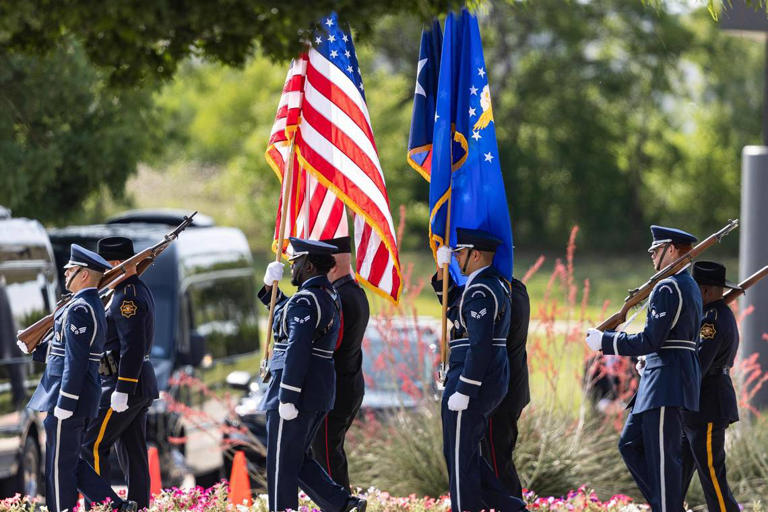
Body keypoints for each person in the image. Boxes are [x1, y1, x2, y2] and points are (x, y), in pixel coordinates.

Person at [585, 225, 702, 512]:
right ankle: (667, 505)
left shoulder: (668, 286)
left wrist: (607, 341)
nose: (651, 256)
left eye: (656, 250)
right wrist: (648, 357)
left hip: (666, 383)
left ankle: (668, 506)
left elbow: (652, 338)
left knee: (663, 461)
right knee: (630, 445)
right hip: (661, 377)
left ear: (671, 250)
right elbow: (668, 339)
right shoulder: (688, 286)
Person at [19, 244, 137, 512]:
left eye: (70, 270)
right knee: (70, 461)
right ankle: (117, 506)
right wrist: (34, 348)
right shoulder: (80, 305)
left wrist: (66, 401)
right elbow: (63, 350)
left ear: (83, 275)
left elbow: (77, 359)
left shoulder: (81, 308)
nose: (66, 274)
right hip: (67, 395)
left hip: (67, 397)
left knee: (58, 469)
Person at [259, 237, 367, 512]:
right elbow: (285, 312)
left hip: (296, 391)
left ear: (308, 265)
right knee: (296, 459)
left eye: (295, 263)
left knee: (281, 464)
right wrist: (268, 289)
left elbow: (297, 346)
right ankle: (343, 504)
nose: (292, 268)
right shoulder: (324, 295)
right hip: (315, 391)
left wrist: (288, 396)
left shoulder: (308, 299)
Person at [433, 227, 527, 512]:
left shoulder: (483, 289)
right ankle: (513, 508)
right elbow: (453, 306)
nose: (456, 256)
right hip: (473, 377)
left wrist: (465, 387)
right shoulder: (482, 286)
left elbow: (480, 345)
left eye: (460, 251)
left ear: (475, 254)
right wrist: (442, 270)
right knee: (464, 455)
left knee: (462, 461)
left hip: (473, 380)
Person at [81, 237, 159, 509]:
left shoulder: (128, 295)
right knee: (132, 453)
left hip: (123, 383)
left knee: (90, 447)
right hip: (129, 383)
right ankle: (138, 506)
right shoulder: (123, 291)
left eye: (104, 267)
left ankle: (103, 505)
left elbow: (133, 345)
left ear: (115, 264)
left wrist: (123, 388)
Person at [681, 261, 741, 511]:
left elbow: (699, 364)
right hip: (696, 406)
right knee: (677, 472)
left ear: (704, 291)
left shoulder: (712, 321)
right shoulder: (709, 315)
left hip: (708, 405)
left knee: (712, 477)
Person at [311, 236, 369, 491]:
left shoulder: (339, 297)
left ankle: (340, 505)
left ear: (331, 264)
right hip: (349, 383)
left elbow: (330, 346)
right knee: (328, 452)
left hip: (336, 389)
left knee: (326, 456)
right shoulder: (354, 291)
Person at [481, 275, 530, 499]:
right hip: (510, 388)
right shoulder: (515, 288)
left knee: (498, 460)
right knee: (495, 457)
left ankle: (512, 506)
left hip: (500, 391)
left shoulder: (503, 293)